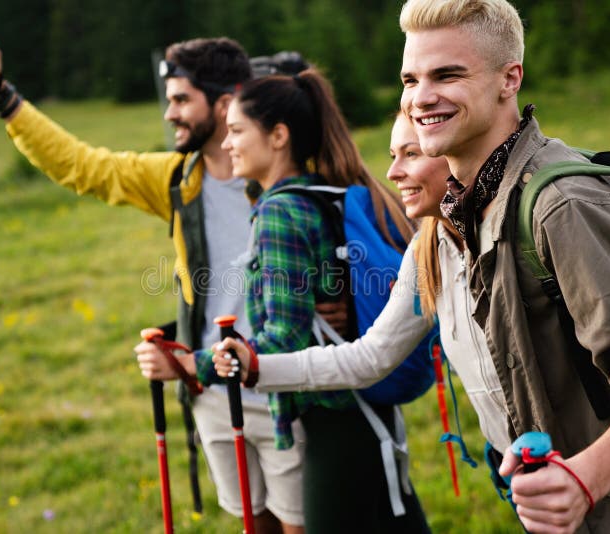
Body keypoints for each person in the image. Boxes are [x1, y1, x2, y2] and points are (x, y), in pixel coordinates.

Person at [215, 1, 610, 532]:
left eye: (448, 74)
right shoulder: (446, 228)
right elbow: (372, 356)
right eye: (410, 78)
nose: (421, 97)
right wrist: (256, 369)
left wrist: (583, 480)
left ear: (509, 79)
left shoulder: (562, 206)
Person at [0, 36, 312, 533]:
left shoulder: (294, 173)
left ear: (225, 102)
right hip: (210, 387)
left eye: (182, 99)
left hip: (288, 388)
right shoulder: (174, 178)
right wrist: (1, 95)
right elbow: (81, 165)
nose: (170, 114)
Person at [140, 70, 429, 533]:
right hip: (365, 414)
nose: (227, 143)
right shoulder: (319, 192)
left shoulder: (279, 211)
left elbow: (282, 342)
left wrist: (191, 365)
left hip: (334, 421)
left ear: (278, 136)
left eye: (236, 131)